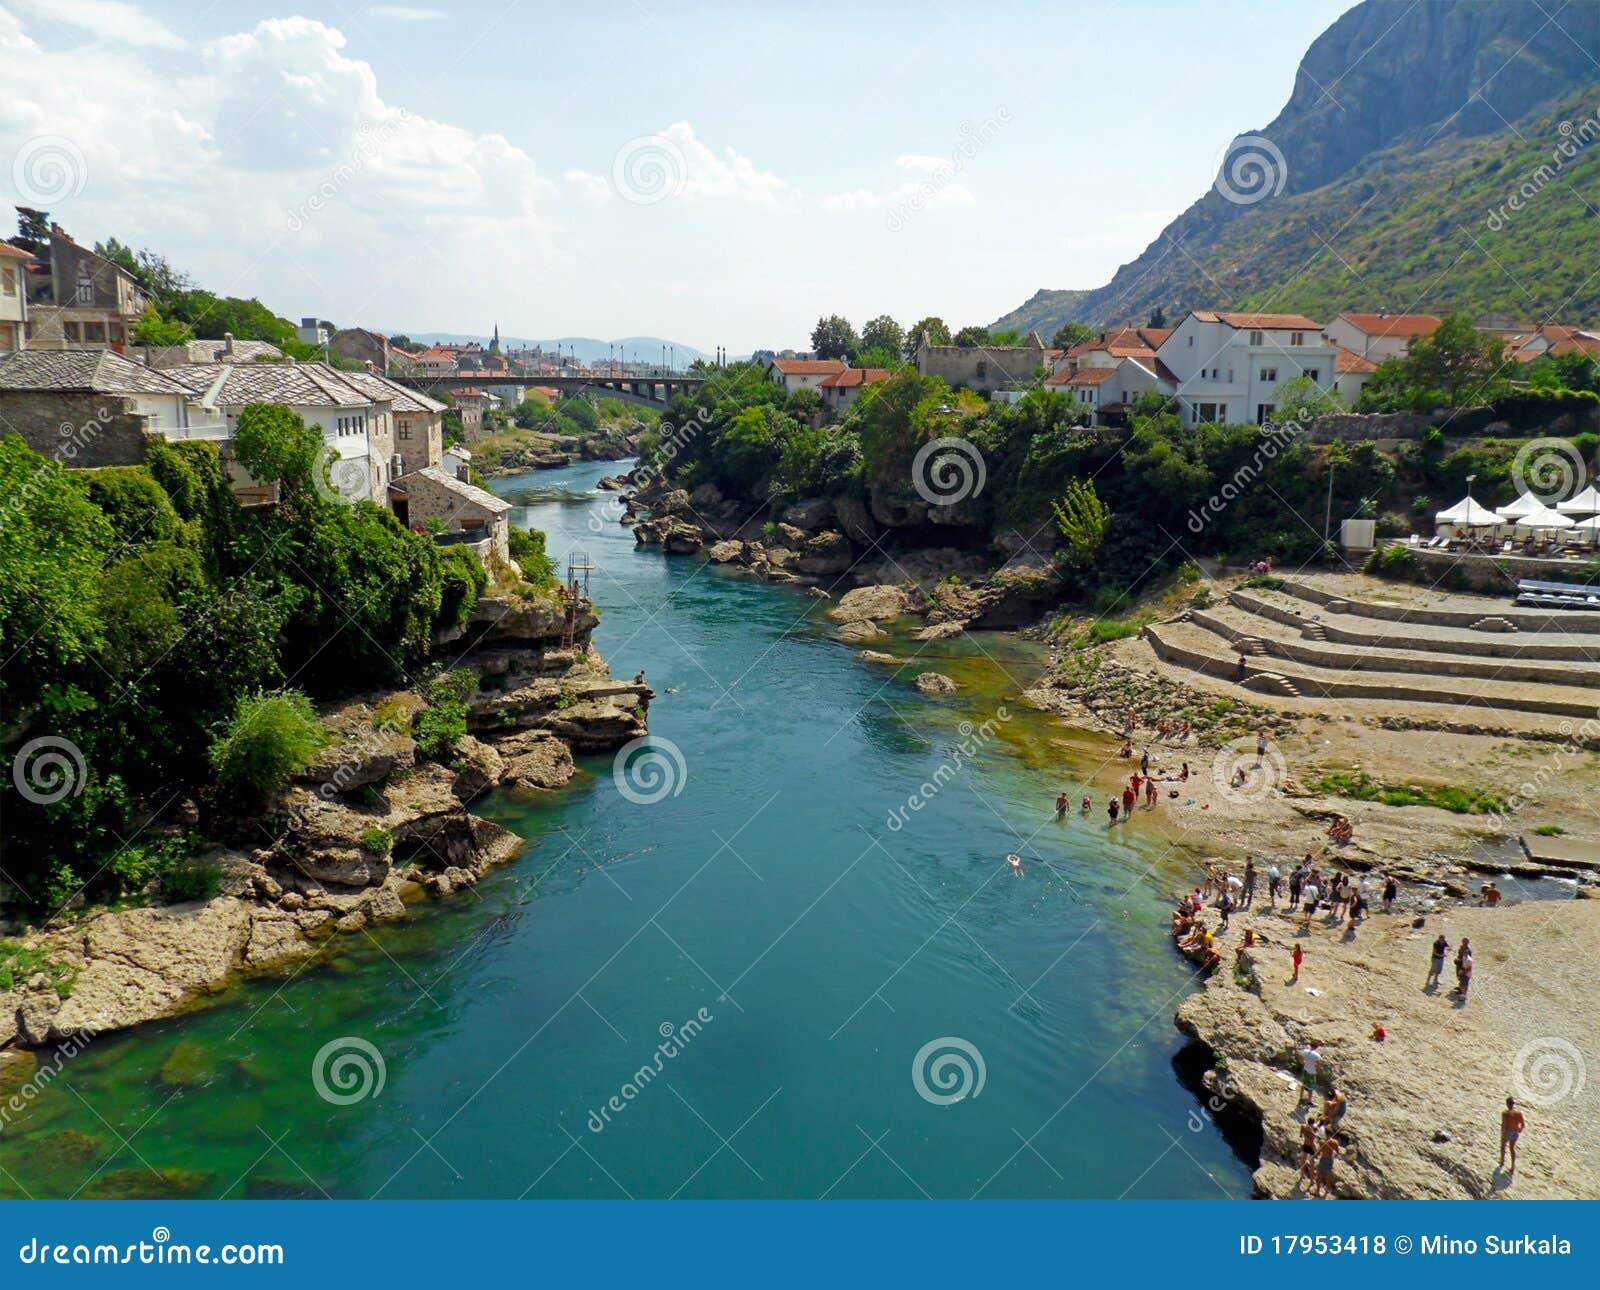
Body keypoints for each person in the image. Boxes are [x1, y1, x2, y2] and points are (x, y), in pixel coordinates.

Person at [1500, 1097, 1525, 1172]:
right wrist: (1519, 1130)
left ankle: (1502, 1161)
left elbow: (1504, 1124)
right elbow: (1523, 1125)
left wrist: (1502, 1132)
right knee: (1512, 1149)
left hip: (1507, 1131)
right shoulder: (1519, 1113)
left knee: (1503, 1147)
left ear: (1507, 1104)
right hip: (1515, 1132)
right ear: (1514, 1104)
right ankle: (1513, 1166)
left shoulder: (1505, 1113)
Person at [1314, 1133, 1341, 1199]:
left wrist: (1316, 1155)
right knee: (1328, 1174)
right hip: (1330, 1159)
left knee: (1319, 1174)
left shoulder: (1322, 1142)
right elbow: (1337, 1152)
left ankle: (1317, 1190)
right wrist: (1333, 1155)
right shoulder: (1335, 1142)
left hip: (1323, 1158)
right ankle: (1327, 1190)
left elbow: (1318, 1151)